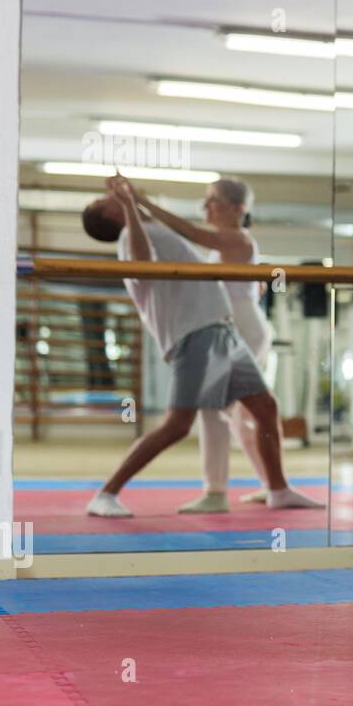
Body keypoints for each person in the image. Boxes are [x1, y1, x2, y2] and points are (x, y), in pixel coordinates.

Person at [80, 174, 321, 516]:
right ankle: (106, 494)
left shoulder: (154, 229)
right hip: (195, 334)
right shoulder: (129, 237)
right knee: (179, 424)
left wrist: (134, 202)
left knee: (265, 409)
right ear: (111, 217)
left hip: (222, 330)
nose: (115, 198)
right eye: (108, 202)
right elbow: (143, 265)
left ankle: (278, 489)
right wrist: (133, 207)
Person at [133, 178, 276, 513]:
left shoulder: (236, 238)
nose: (204, 207)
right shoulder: (225, 246)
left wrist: (144, 204)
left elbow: (188, 233)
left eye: (212, 201)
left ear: (237, 209)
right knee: (240, 417)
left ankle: (216, 492)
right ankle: (271, 485)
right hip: (237, 326)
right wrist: (134, 208)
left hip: (242, 329)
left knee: (214, 408)